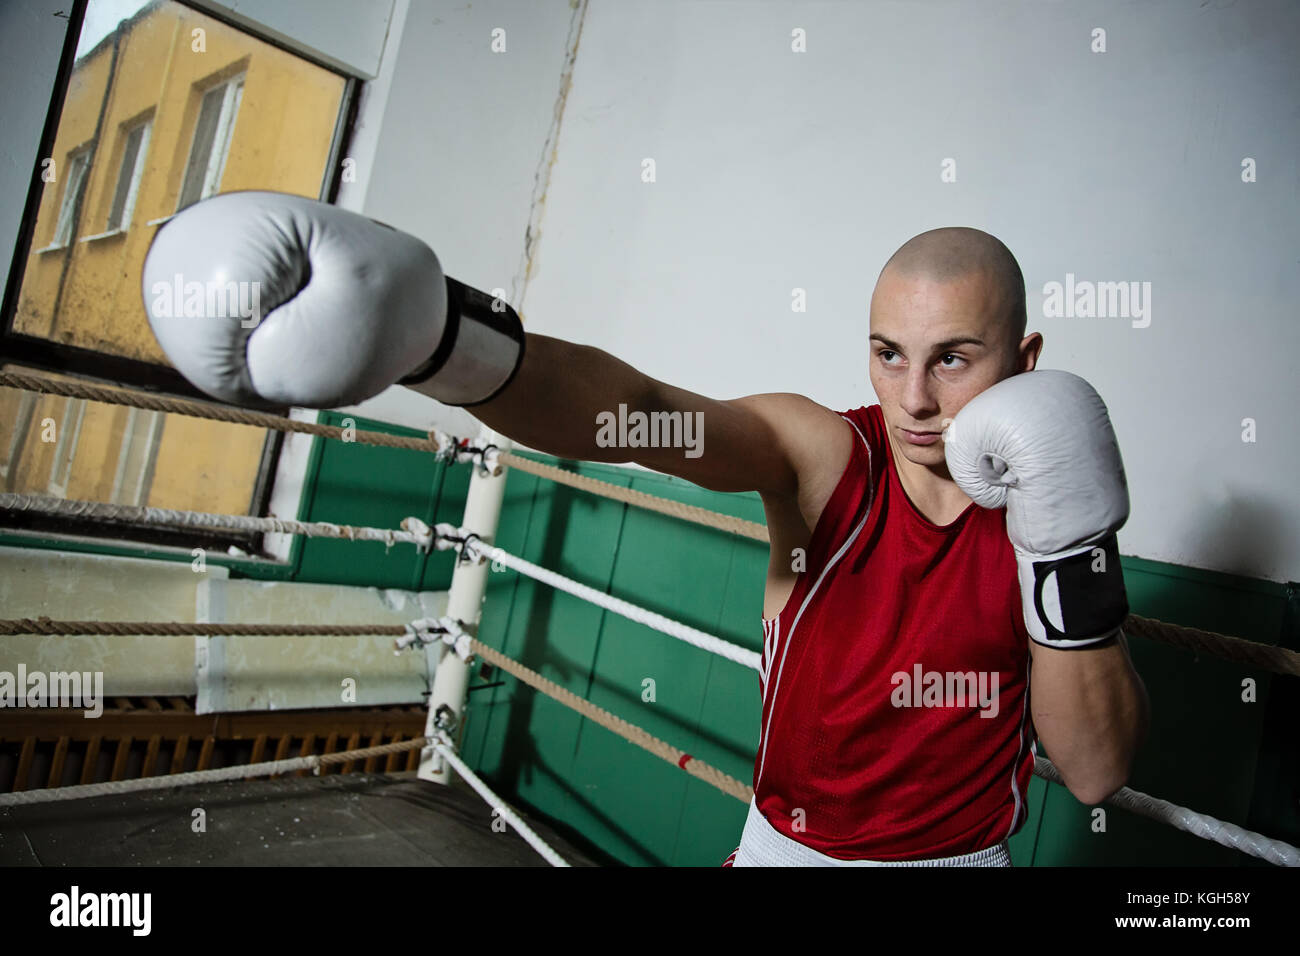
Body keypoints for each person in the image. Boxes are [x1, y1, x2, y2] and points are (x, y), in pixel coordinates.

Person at [142, 193, 1150, 866]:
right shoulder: (824, 456)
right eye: (889, 354)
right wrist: (446, 342)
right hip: (788, 853)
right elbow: (637, 408)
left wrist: (1065, 557)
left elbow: (1096, 768)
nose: (914, 398)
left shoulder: (1051, 505)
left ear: (1025, 356)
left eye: (955, 357)